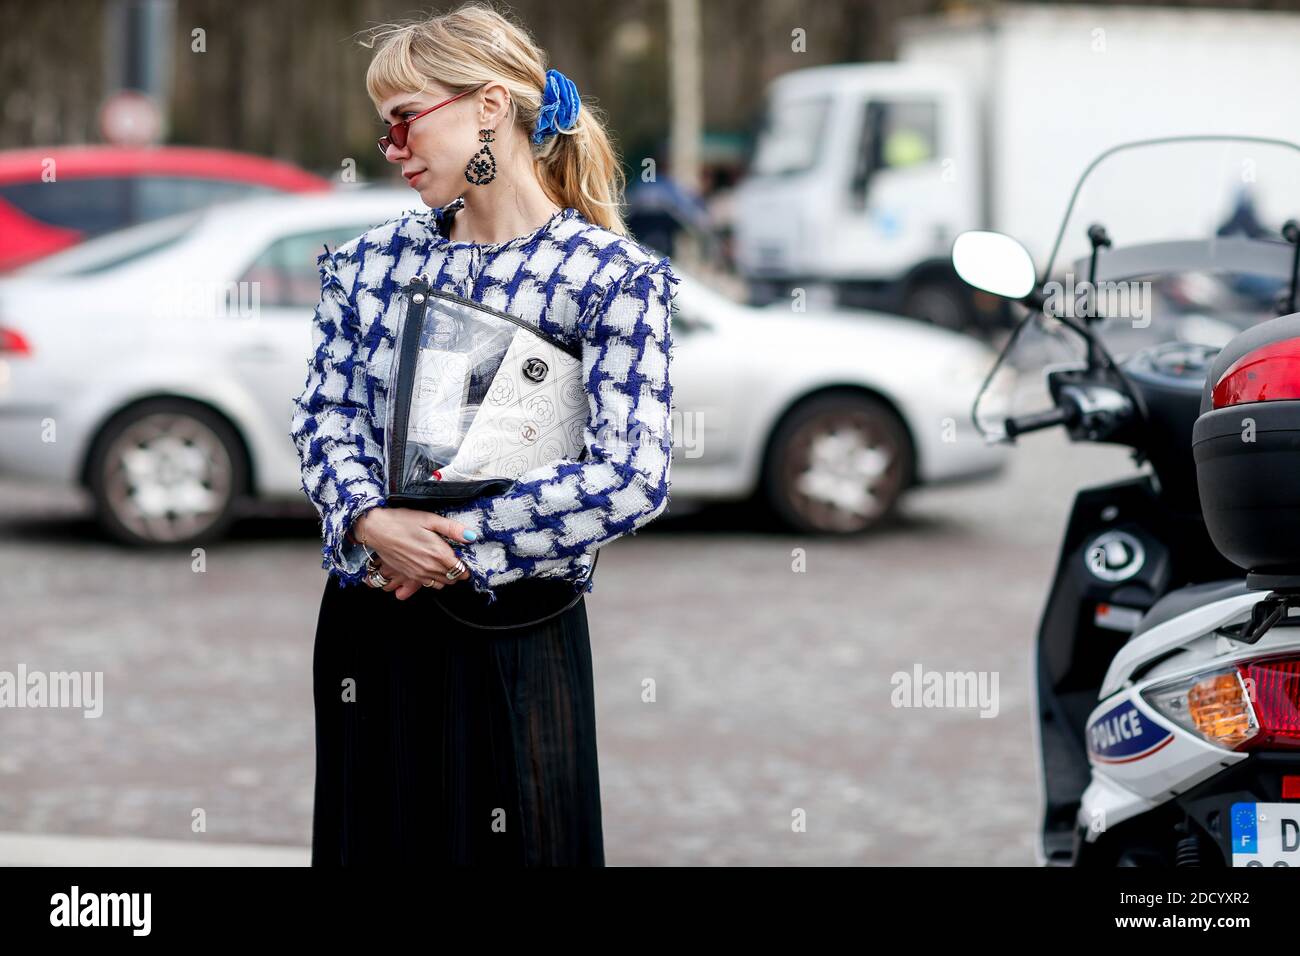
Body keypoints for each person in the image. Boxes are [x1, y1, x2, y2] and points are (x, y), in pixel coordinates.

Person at [290, 3, 677, 866]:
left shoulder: (609, 276)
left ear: (490, 107)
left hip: (516, 634)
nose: (391, 149)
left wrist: (458, 541)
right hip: (371, 622)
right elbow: (325, 415)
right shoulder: (367, 263)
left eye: (404, 120)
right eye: (383, 127)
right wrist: (370, 521)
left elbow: (631, 474)